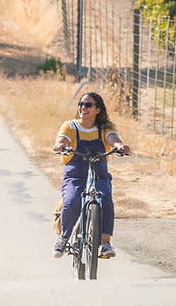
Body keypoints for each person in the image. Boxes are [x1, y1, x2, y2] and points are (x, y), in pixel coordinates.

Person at [51, 91, 130, 259]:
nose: (83, 108)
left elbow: (112, 138)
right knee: (72, 201)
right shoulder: (70, 126)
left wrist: (119, 145)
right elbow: (62, 139)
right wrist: (60, 145)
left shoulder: (104, 129)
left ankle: (105, 243)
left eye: (88, 105)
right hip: (75, 177)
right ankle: (64, 238)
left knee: (106, 200)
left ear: (97, 109)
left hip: (99, 175)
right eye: (81, 104)